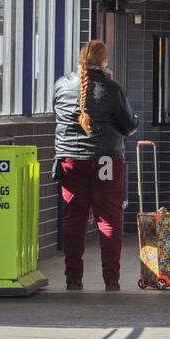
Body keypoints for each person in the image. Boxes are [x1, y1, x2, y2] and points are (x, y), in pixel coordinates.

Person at [52, 40, 139, 291]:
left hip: (70, 159)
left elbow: (59, 116)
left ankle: (73, 278)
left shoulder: (61, 84)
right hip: (106, 160)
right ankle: (111, 280)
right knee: (109, 219)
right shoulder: (111, 88)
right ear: (104, 61)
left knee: (73, 219)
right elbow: (128, 126)